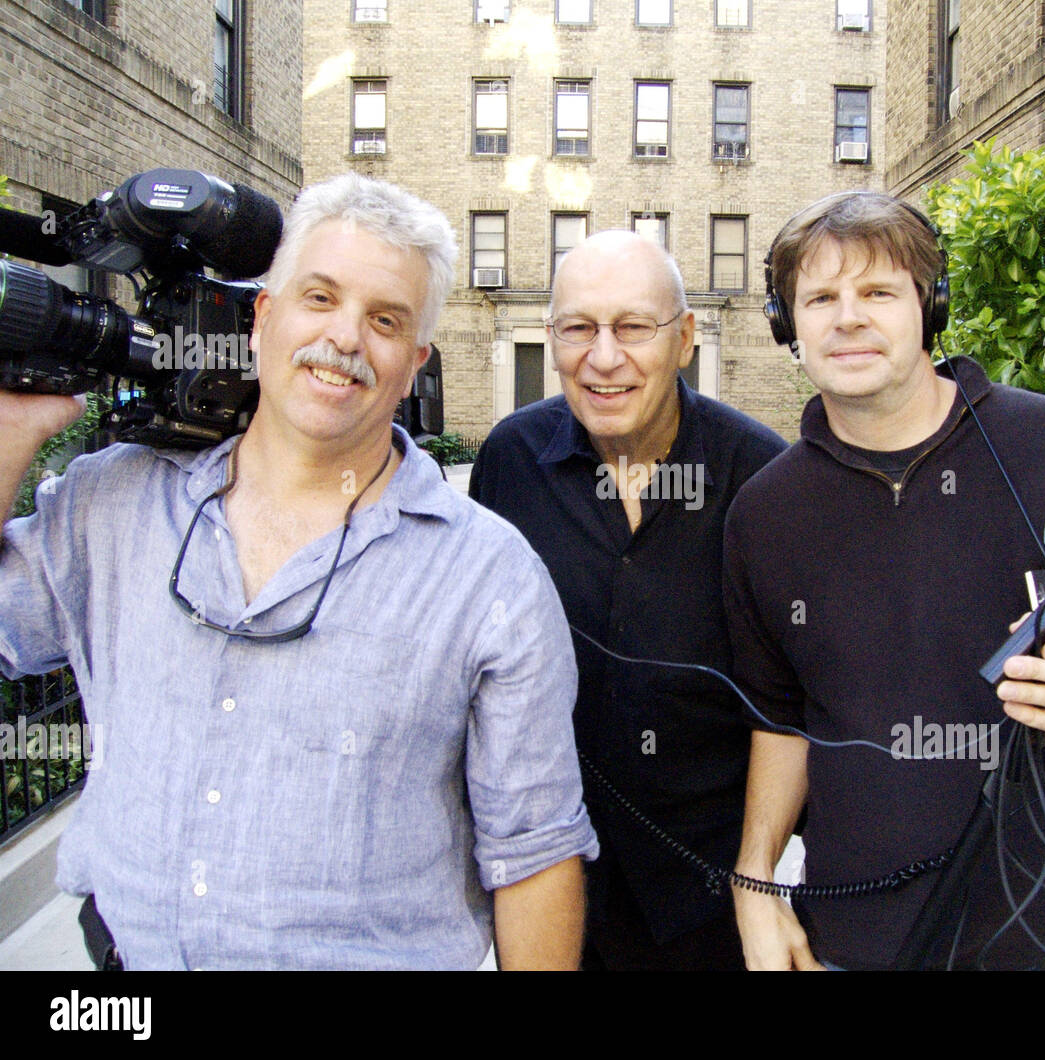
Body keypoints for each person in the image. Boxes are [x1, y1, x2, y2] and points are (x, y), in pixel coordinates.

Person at [0, 172, 598, 970]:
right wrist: (12, 434)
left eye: (384, 319)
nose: (346, 337)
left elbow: (533, 855)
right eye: (319, 297)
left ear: (414, 359)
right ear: (264, 316)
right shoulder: (109, 502)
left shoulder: (490, 579)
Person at [725, 190, 1045, 970]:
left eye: (878, 292)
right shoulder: (765, 512)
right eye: (819, 298)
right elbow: (780, 716)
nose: (847, 317)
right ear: (789, 326)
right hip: (859, 942)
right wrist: (754, 880)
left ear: (932, 306)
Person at [470, 230, 786, 970]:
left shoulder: (761, 477)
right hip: (545, 890)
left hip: (708, 897)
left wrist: (759, 874)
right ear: (551, 340)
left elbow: (792, 698)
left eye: (633, 328)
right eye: (579, 328)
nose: (603, 357)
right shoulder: (510, 462)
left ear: (683, 339)